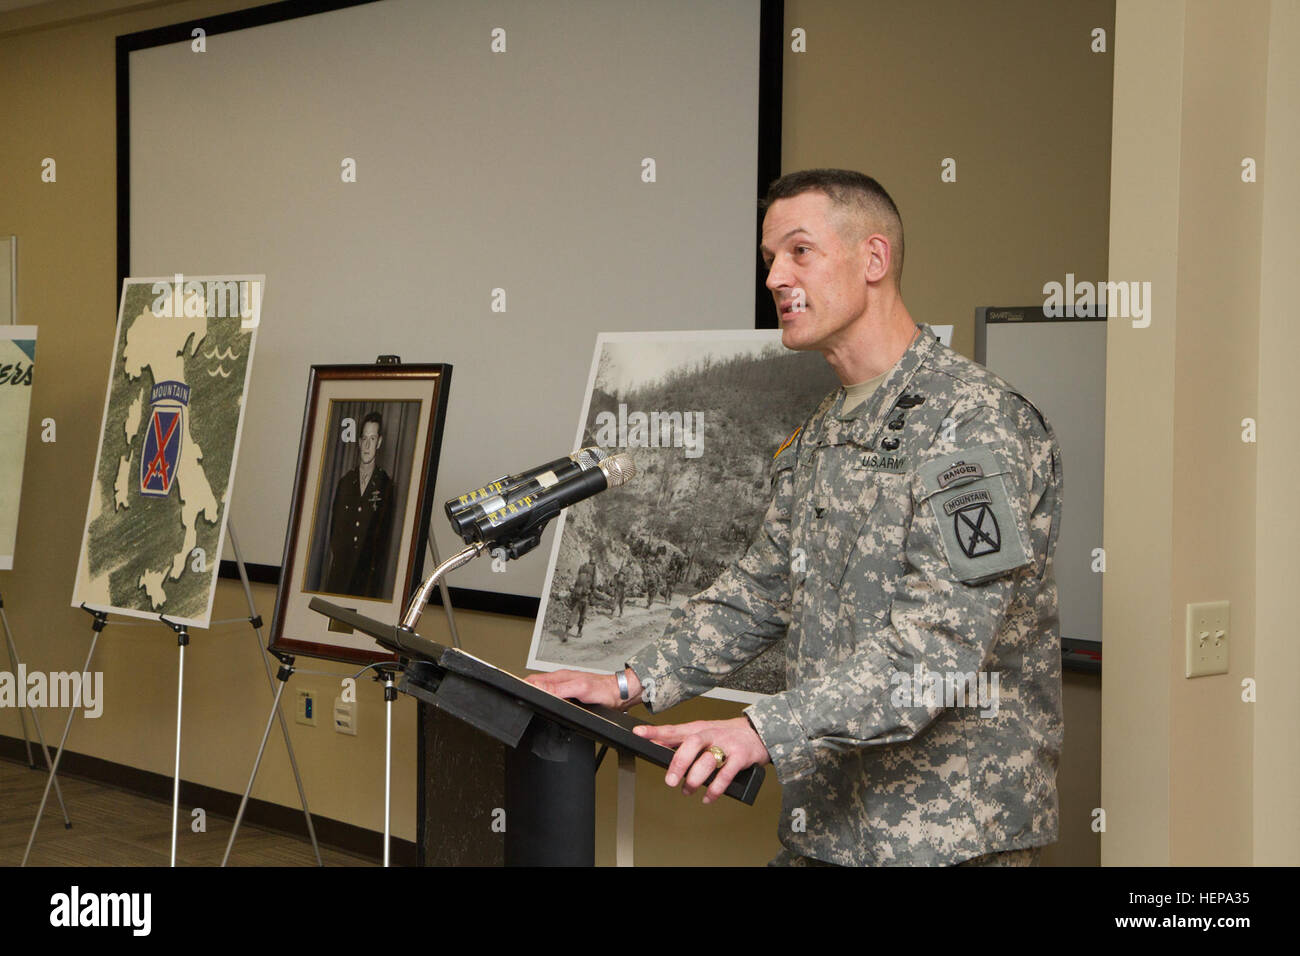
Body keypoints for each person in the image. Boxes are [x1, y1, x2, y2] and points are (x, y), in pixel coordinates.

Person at [527, 169, 1063, 867]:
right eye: (769, 259)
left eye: (799, 251)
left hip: (947, 842)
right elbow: (758, 592)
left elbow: (933, 655)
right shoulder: (818, 436)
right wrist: (633, 682)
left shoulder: (975, 424)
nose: (777, 277)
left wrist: (761, 728)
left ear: (874, 259)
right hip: (830, 826)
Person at [322, 410, 395, 599]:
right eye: (364, 439)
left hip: (366, 580)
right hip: (340, 577)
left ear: (379, 442)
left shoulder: (386, 485)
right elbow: (334, 531)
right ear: (359, 442)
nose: (367, 446)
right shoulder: (345, 482)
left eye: (372, 439)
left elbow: (384, 538)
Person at [564, 555, 598, 640]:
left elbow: (576, 581)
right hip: (585, 596)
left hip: (577, 594)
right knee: (583, 615)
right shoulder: (593, 569)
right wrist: (593, 592)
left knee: (574, 613)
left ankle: (566, 632)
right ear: (594, 563)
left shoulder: (582, 567)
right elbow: (594, 584)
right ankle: (579, 632)